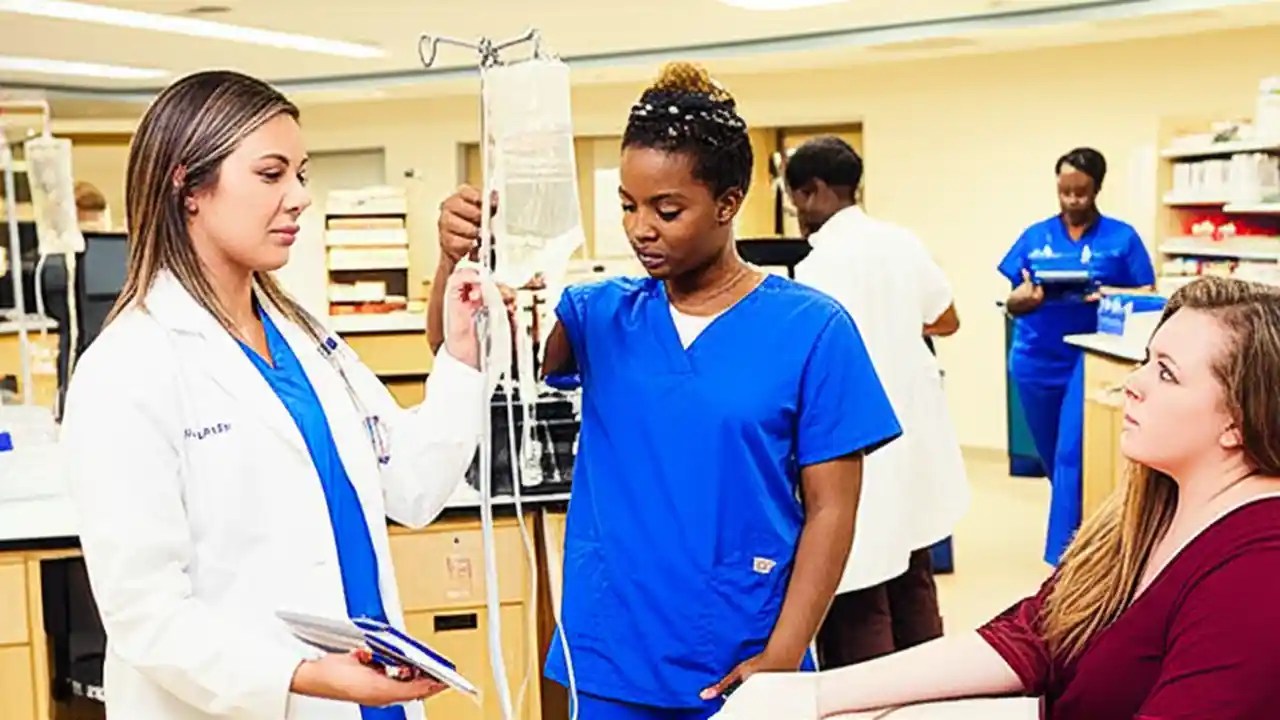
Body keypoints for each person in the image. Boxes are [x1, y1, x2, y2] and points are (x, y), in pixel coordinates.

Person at [432, 62, 903, 720]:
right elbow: (459, 353)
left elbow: (832, 510)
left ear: (728, 204)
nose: (640, 228)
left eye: (667, 210)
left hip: (743, 648)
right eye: (628, 205)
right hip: (612, 653)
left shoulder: (813, 329)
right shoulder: (597, 314)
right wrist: (455, 261)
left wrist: (783, 654)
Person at [60, 70, 492, 720]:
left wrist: (461, 357)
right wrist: (306, 676)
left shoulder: (305, 339)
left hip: (366, 702)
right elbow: (146, 616)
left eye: (301, 174)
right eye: (271, 174)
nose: (300, 198)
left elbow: (413, 487)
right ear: (188, 186)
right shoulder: (128, 368)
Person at [713, 275, 1280, 720]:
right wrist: (815, 694)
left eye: (1167, 374)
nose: (1133, 383)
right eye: (1145, 361)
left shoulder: (1258, 573)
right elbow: (1034, 636)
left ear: (1239, 419)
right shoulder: (1150, 514)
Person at [785, 136, 969, 668]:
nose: (798, 214)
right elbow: (947, 319)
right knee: (912, 572)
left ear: (812, 191)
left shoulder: (816, 268)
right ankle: (928, 692)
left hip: (856, 440)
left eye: (797, 201)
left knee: (856, 586)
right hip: (911, 439)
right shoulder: (901, 243)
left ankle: (869, 698)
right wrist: (896, 321)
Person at [999, 147, 1155, 564]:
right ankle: (1083, 532)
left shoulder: (1121, 237)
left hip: (1087, 358)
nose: (1072, 200)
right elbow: (1012, 299)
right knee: (1055, 459)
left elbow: (1147, 292)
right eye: (1064, 191)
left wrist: (1108, 293)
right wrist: (1025, 299)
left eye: (1080, 192)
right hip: (1034, 360)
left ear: (1097, 188)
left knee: (1072, 453)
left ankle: (1065, 558)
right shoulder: (1035, 236)